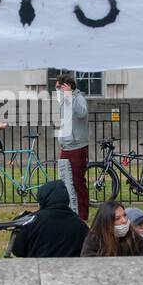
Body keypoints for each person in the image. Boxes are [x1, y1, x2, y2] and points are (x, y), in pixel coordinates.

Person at [10, 180, 88, 258]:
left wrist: (18, 226)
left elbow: (17, 250)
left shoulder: (32, 221)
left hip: (37, 268)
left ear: (43, 198)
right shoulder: (80, 225)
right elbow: (89, 250)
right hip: (70, 269)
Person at [55, 74, 90, 221]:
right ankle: (69, 211)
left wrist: (70, 95)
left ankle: (82, 215)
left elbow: (82, 113)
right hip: (66, 147)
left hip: (77, 147)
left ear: (66, 86)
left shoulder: (78, 98)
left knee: (77, 181)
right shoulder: (62, 100)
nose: (56, 89)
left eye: (59, 87)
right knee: (65, 180)